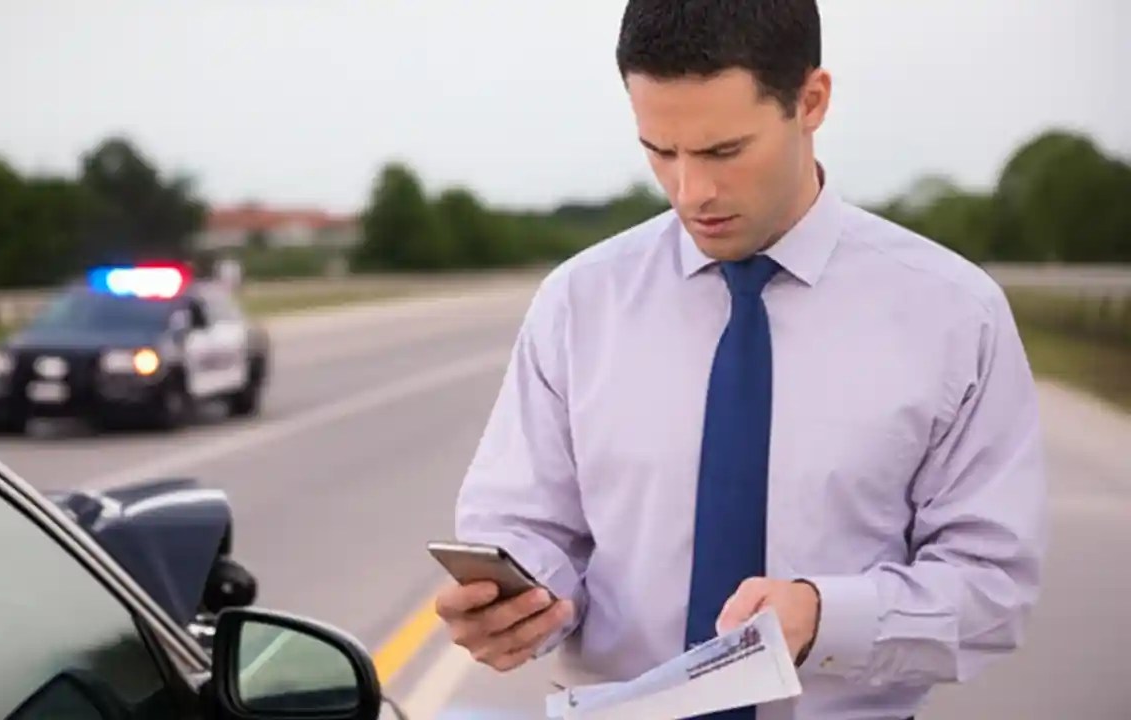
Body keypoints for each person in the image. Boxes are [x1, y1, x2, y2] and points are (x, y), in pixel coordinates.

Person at [434, 1, 1047, 718]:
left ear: (811, 101)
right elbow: (524, 525)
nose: (691, 193)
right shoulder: (577, 304)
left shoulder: (953, 314)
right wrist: (520, 598)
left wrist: (824, 617)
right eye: (660, 151)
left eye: (723, 151)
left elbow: (992, 592)